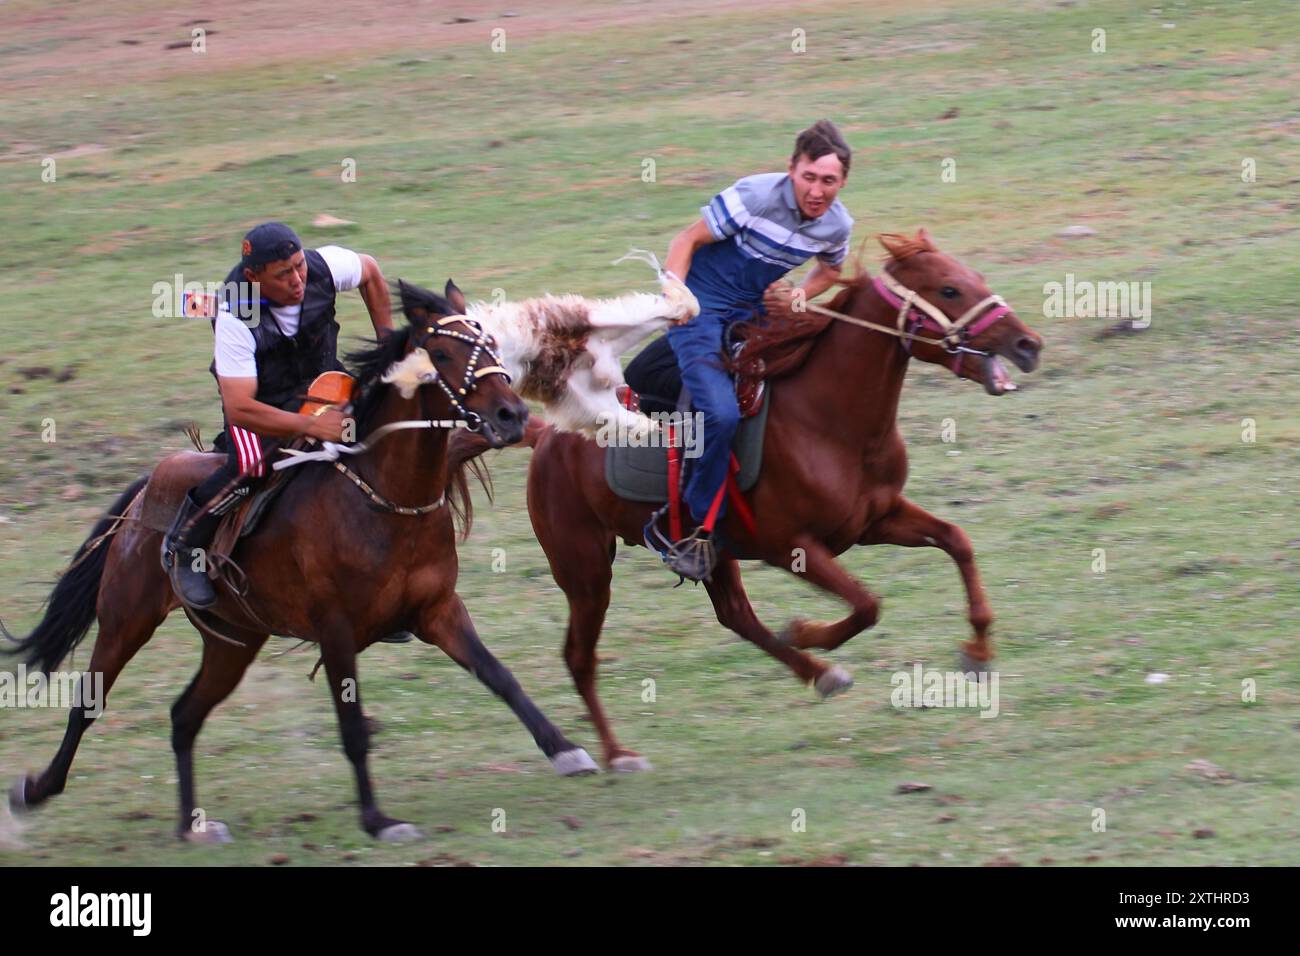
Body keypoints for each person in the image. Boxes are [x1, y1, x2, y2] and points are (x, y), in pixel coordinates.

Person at [651, 120, 855, 580]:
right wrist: (675, 296)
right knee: (721, 413)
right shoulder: (755, 195)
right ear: (791, 169)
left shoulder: (837, 224)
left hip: (754, 309)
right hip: (700, 307)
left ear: (842, 183)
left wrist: (799, 297)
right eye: (809, 176)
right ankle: (697, 529)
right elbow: (687, 240)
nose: (817, 190)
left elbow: (830, 270)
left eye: (829, 181)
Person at [162, 222, 394, 609]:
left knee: (381, 432)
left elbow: (369, 270)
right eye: (283, 274)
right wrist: (311, 425)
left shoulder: (324, 266)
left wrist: (387, 344)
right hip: (260, 406)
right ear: (253, 278)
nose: (298, 280)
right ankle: (186, 545)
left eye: (299, 266)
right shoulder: (236, 317)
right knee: (252, 466)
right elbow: (241, 408)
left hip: (320, 385)